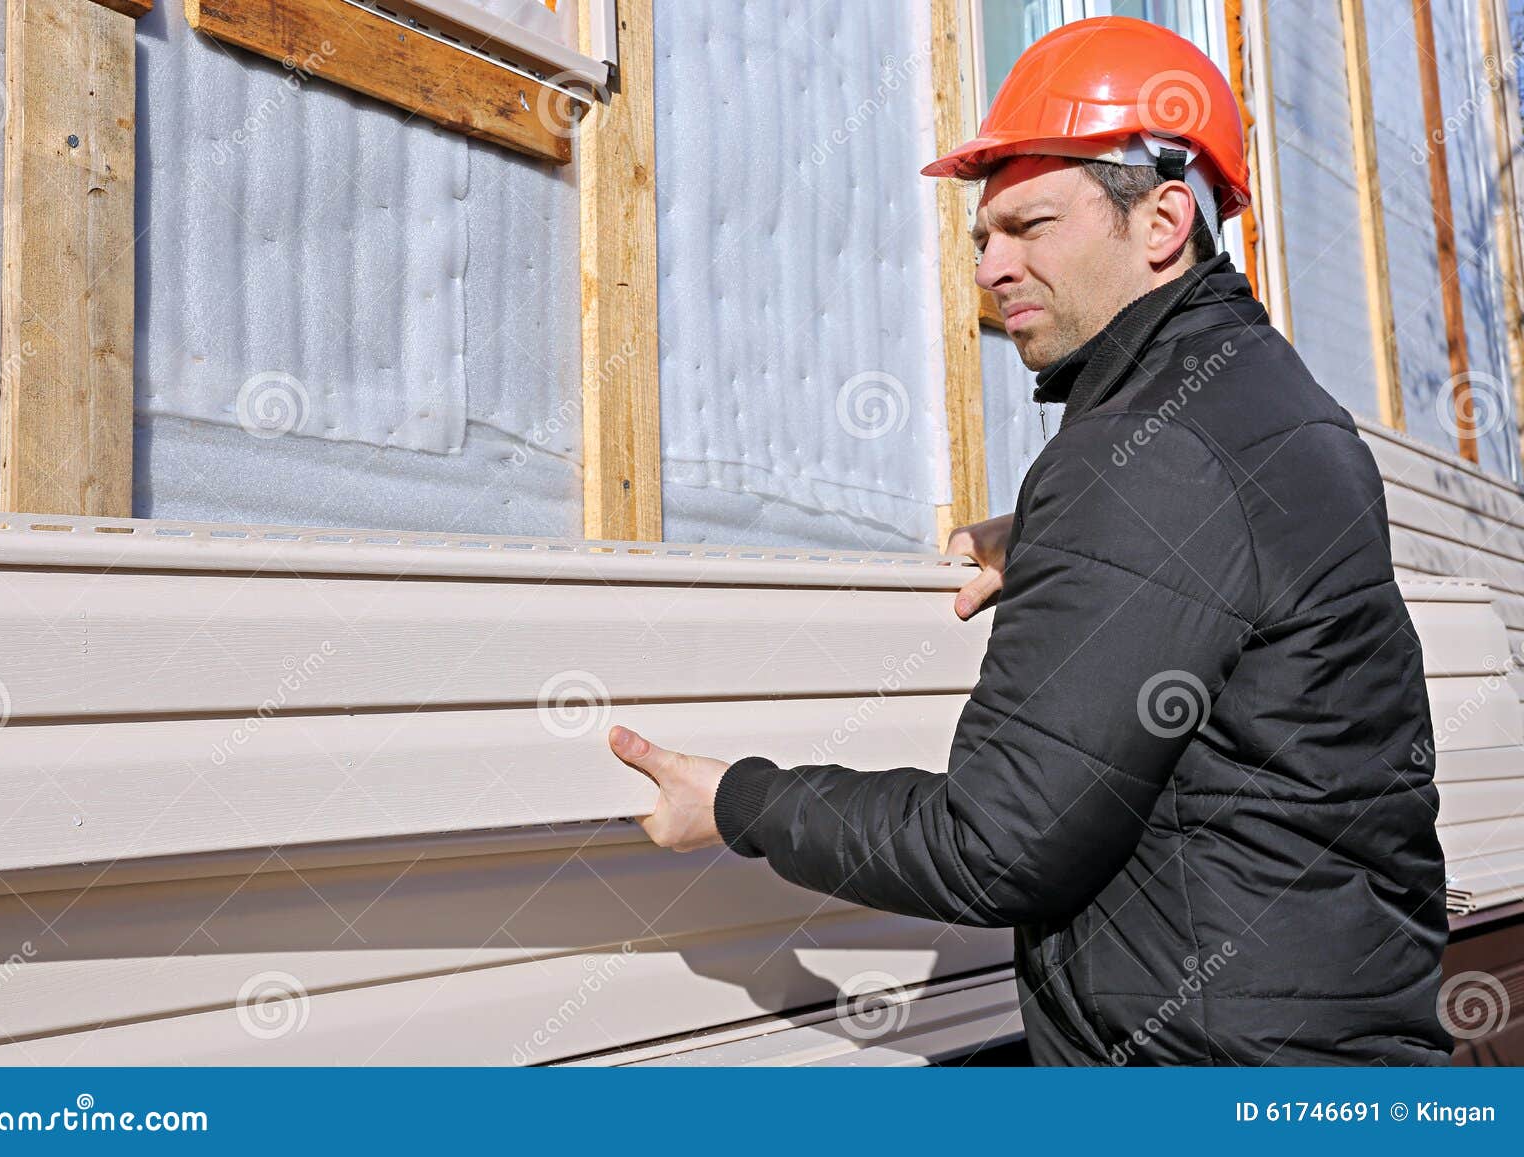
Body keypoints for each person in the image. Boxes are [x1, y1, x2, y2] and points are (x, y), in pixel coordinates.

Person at [607, 16, 1450, 1065]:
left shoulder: (1151, 459)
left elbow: (994, 846)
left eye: (1031, 224)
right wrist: (1067, 536)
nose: (992, 264)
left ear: (1161, 221)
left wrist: (739, 800)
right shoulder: (1270, 408)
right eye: (981, 236)